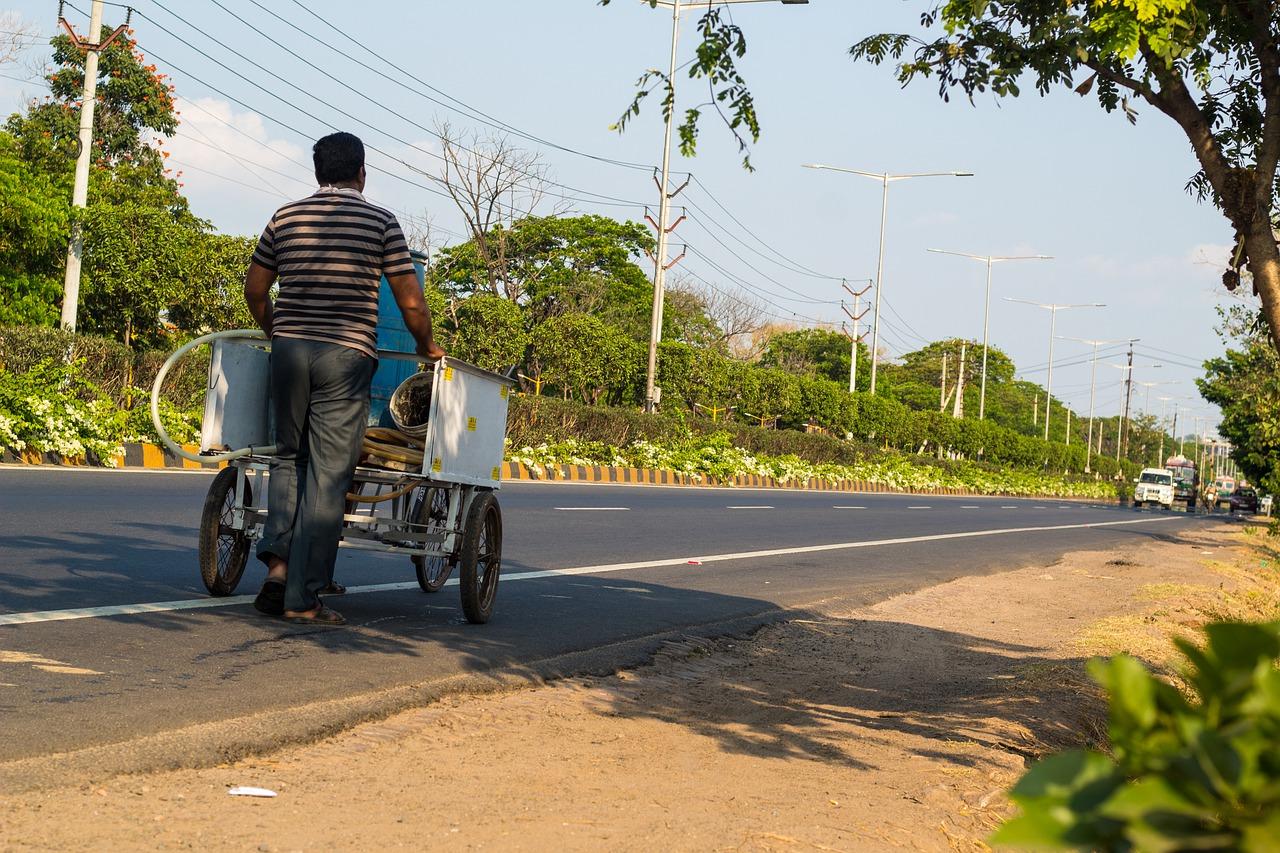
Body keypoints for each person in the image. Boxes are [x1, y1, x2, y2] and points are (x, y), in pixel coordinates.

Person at [243, 131, 445, 626]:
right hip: (345, 356)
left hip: (289, 352)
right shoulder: (380, 221)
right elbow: (410, 300)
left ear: (317, 174)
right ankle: (302, 598)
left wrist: (280, 332)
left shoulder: (285, 216)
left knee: (289, 459)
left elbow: (255, 289)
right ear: (361, 172)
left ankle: (279, 569)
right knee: (331, 476)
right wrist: (426, 346)